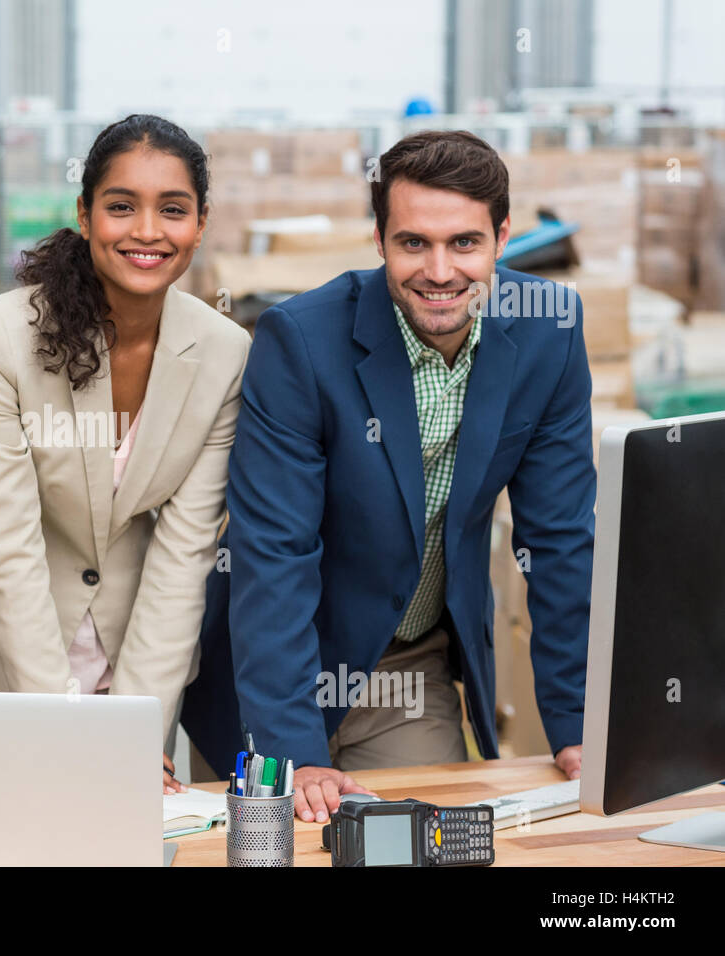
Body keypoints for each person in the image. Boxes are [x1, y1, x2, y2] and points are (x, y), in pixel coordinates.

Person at [190, 129, 592, 823]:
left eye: (464, 243)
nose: (439, 271)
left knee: (429, 843)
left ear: (501, 237)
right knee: (267, 848)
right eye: (414, 243)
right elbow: (274, 552)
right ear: (379, 240)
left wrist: (583, 728)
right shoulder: (301, 341)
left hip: (407, 668)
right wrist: (291, 748)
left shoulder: (547, 332)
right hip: (274, 667)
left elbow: (560, 542)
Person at [0, 115, 249, 793]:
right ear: (85, 213)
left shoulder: (223, 353)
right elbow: (2, 541)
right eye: (121, 206)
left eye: (173, 210)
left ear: (201, 222)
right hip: (4, 659)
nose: (147, 231)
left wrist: (134, 728)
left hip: (137, 658)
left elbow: (185, 551)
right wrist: (66, 730)